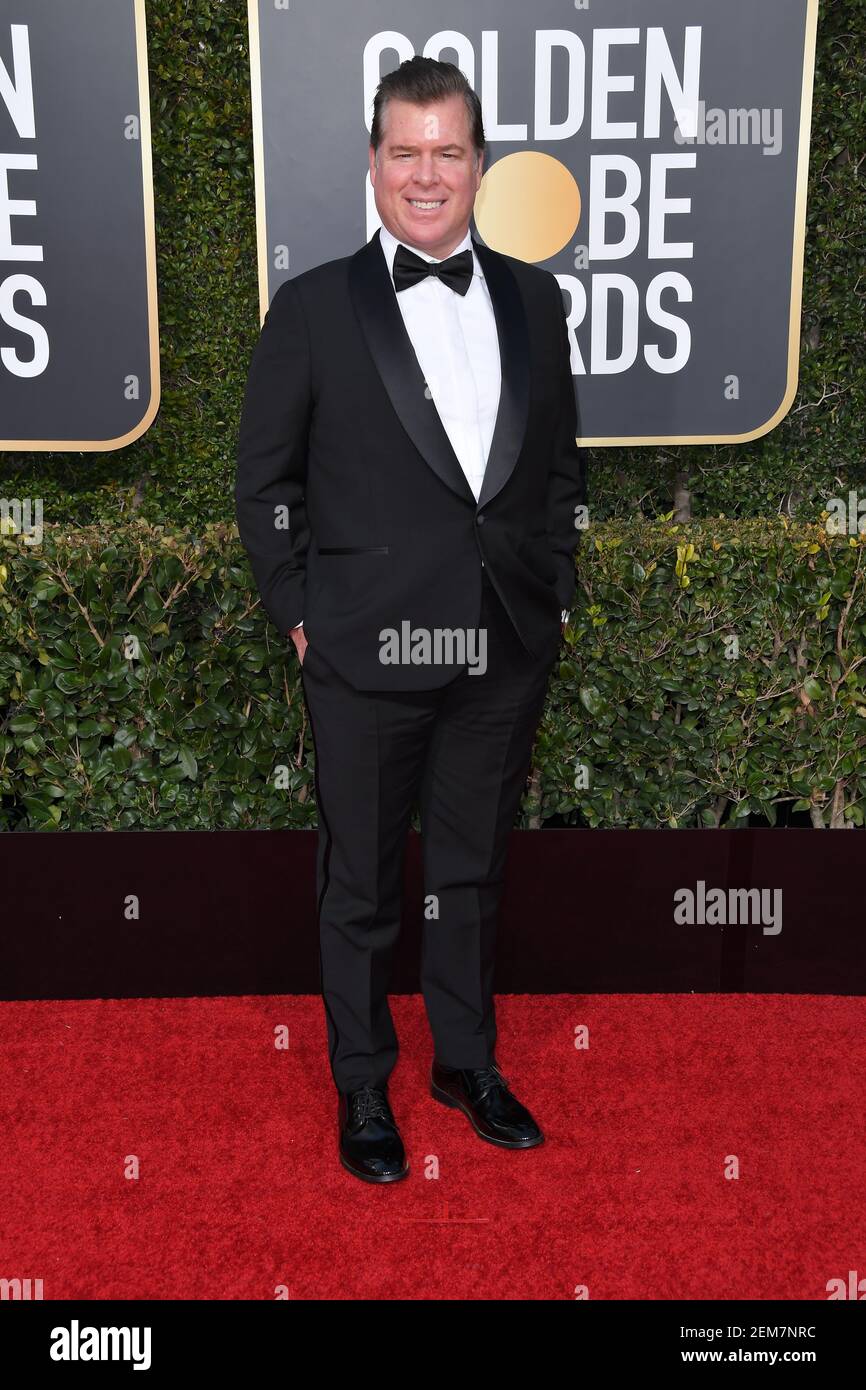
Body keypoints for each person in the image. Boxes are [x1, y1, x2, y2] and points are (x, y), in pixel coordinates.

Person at [235, 55, 587, 1184]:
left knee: (472, 868)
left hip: (499, 643)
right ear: (373, 164)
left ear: (478, 164)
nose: (426, 174)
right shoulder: (311, 308)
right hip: (363, 648)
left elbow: (559, 470)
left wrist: (553, 589)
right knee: (362, 878)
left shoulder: (535, 298)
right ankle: (361, 1081)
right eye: (404, 151)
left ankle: (464, 1063)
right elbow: (263, 483)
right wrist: (300, 615)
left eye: (448, 151)